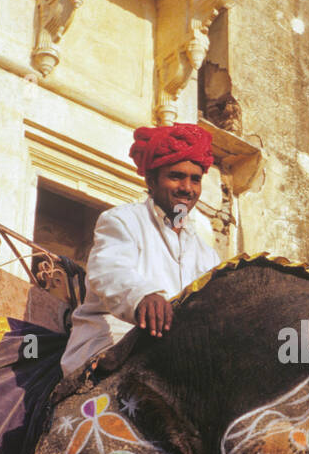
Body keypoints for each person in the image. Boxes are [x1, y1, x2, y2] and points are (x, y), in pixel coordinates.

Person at [60, 123, 220, 377]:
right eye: (176, 176)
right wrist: (144, 296)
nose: (187, 188)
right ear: (151, 181)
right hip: (113, 342)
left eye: (195, 179)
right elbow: (109, 271)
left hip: (181, 355)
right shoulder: (121, 220)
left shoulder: (207, 254)